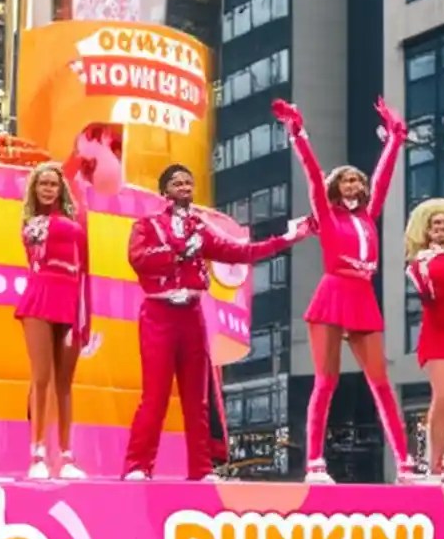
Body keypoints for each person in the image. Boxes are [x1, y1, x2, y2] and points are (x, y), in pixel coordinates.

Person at [123, 165, 311, 481]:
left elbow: (239, 252)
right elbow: (138, 258)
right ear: (164, 191)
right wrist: (179, 251)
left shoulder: (199, 228)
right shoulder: (148, 224)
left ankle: (201, 469)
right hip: (159, 313)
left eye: (189, 182)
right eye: (177, 183)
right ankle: (138, 466)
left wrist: (287, 239)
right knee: (155, 396)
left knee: (197, 399)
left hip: (191, 314)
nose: (185, 187)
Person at [272, 97, 415, 483]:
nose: (356, 183)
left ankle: (405, 463)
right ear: (336, 186)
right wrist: (298, 132)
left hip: (363, 296)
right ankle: (315, 462)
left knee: (380, 382)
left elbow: (384, 178)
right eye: (348, 179)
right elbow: (311, 172)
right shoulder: (326, 212)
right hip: (333, 293)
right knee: (326, 381)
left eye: (359, 180)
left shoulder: (368, 215)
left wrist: (395, 138)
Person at [16, 161, 92, 479]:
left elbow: (85, 269)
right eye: (42, 183)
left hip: (70, 299)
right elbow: (36, 254)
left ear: (61, 189)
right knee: (41, 378)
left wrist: (85, 317)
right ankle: (37, 454)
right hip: (39, 297)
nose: (48, 189)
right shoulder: (32, 225)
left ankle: (66, 455)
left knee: (64, 383)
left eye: (53, 184)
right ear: (34, 189)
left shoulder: (75, 224)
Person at [404, 199, 444, 480]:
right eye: (436, 223)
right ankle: (435, 463)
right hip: (438, 333)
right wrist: (422, 265)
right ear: (427, 229)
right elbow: (426, 293)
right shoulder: (420, 262)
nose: (441, 227)